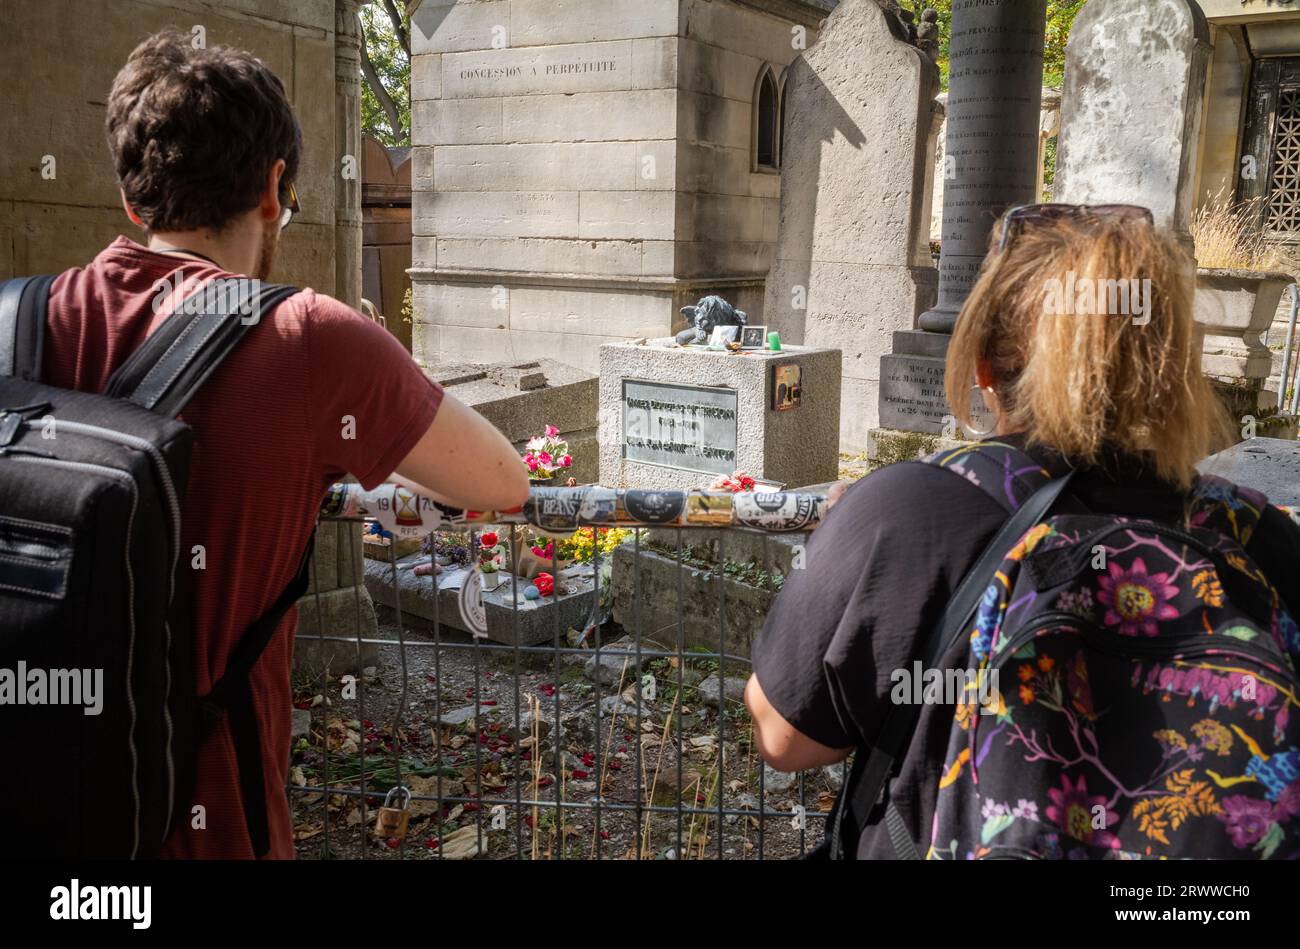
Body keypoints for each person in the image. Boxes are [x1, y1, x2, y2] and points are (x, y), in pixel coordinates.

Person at [37, 30, 529, 858]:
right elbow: (503, 479)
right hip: (211, 817)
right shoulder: (307, 338)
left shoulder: (16, 322)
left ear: (133, 200)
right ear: (273, 188)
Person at [746, 204, 1300, 858]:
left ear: (983, 364)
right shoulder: (1257, 533)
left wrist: (837, 540)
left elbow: (785, 739)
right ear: (1170, 367)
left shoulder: (902, 512)